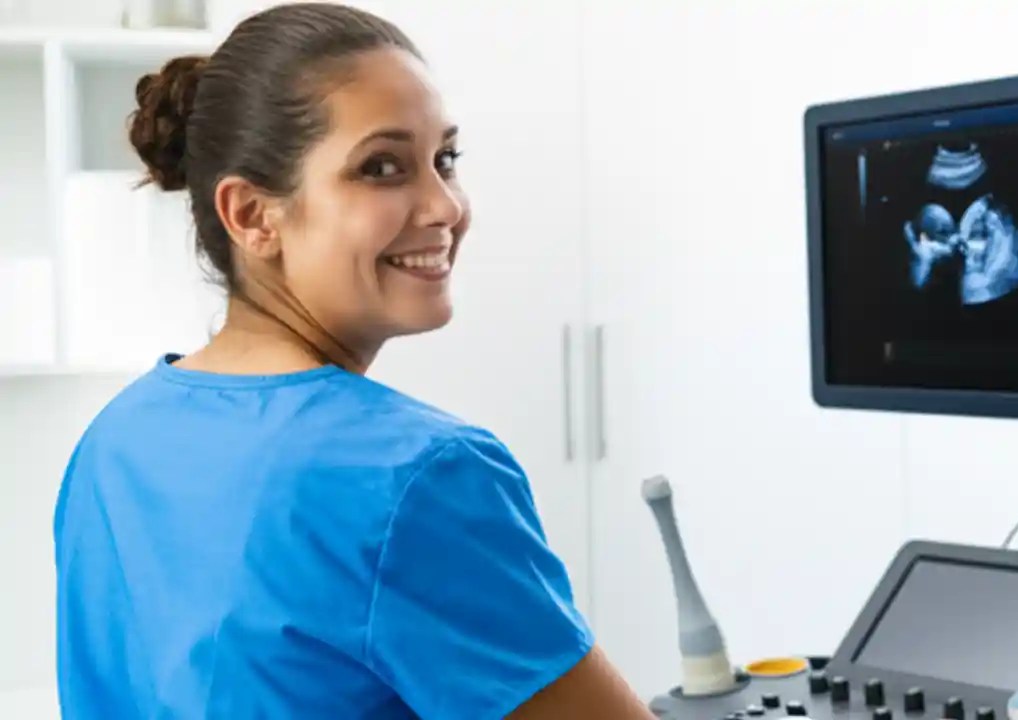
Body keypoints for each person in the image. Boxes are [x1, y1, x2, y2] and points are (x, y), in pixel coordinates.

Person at [51, 3, 655, 718]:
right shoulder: (418, 475)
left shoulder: (113, 443)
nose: (445, 206)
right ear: (252, 215)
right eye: (382, 167)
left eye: (445, 160)